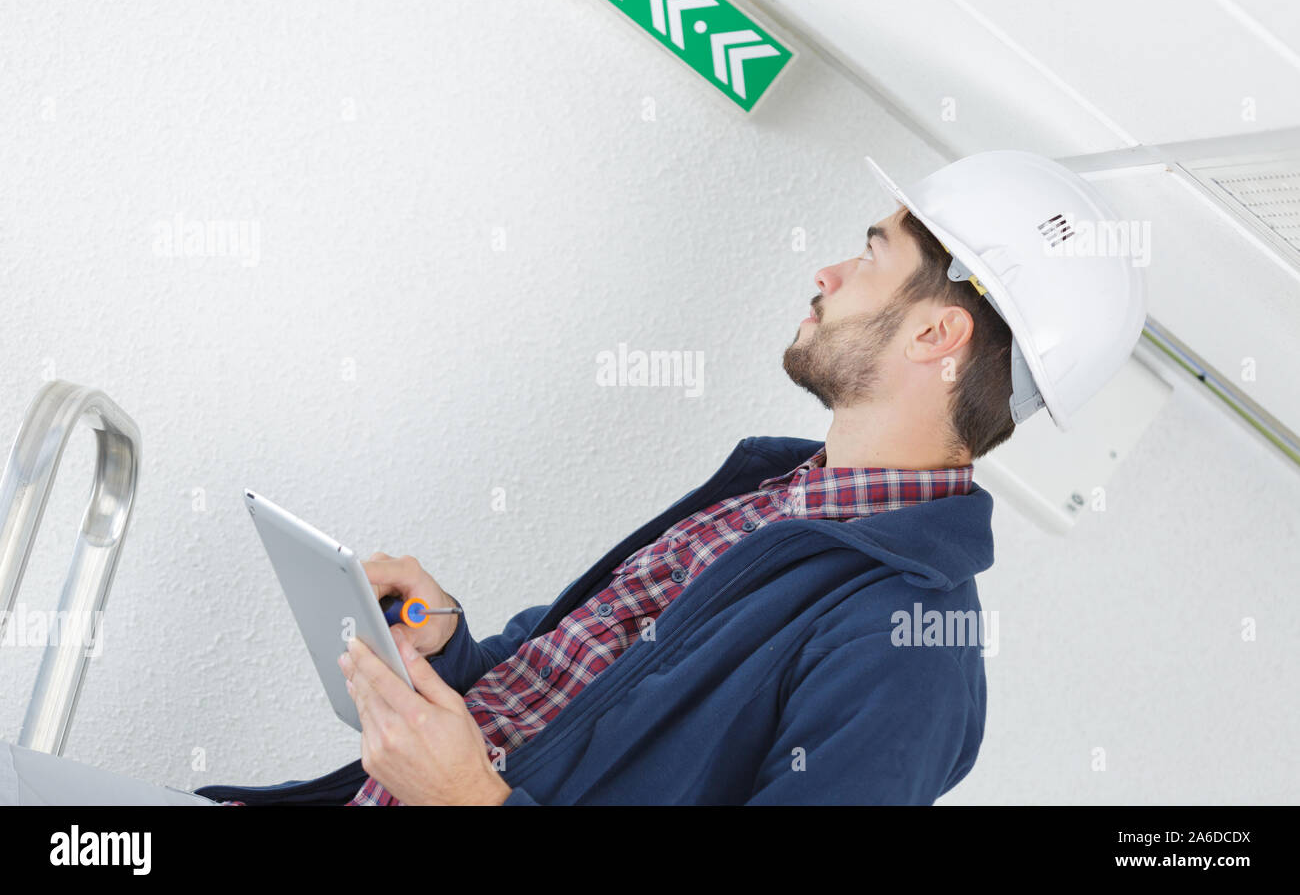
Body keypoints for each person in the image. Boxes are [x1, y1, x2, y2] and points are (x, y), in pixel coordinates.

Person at [197, 150, 1146, 805]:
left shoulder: (909, 654)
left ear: (938, 334)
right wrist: (455, 653)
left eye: (869, 256)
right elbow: (579, 726)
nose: (826, 272)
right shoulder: (772, 494)